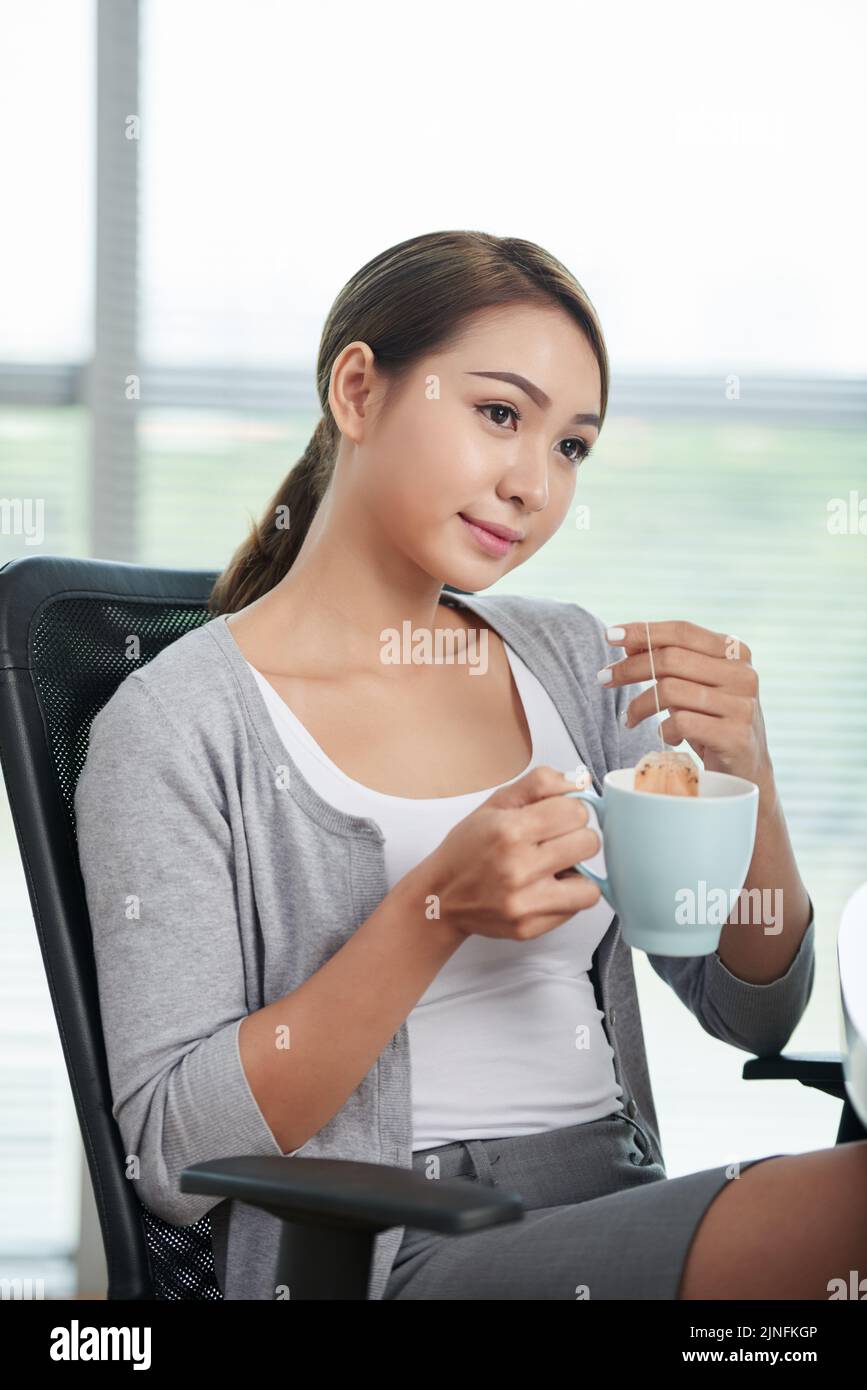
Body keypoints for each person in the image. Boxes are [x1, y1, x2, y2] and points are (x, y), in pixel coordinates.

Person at [74, 229, 866, 1301]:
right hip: (390, 1243)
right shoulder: (176, 725)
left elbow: (756, 1012)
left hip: (615, 1193)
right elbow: (168, 1153)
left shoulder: (573, 664)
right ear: (359, 391)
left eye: (572, 446)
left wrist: (748, 776)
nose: (534, 483)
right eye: (501, 413)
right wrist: (433, 908)